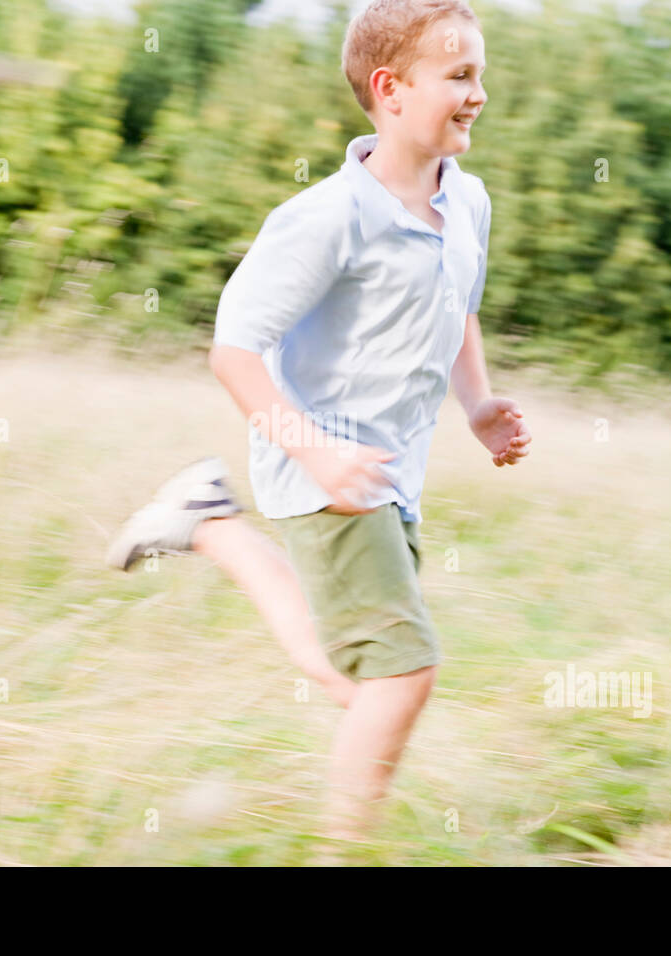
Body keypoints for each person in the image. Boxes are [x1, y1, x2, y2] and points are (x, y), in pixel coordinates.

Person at [107, 0, 530, 858]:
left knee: (361, 677)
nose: (479, 93)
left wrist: (478, 406)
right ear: (391, 91)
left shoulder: (470, 201)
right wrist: (312, 448)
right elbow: (234, 350)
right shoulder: (327, 218)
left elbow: (461, 308)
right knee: (403, 673)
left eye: (480, 74)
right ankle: (344, 852)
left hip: (386, 473)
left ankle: (207, 522)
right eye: (460, 76)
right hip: (320, 466)